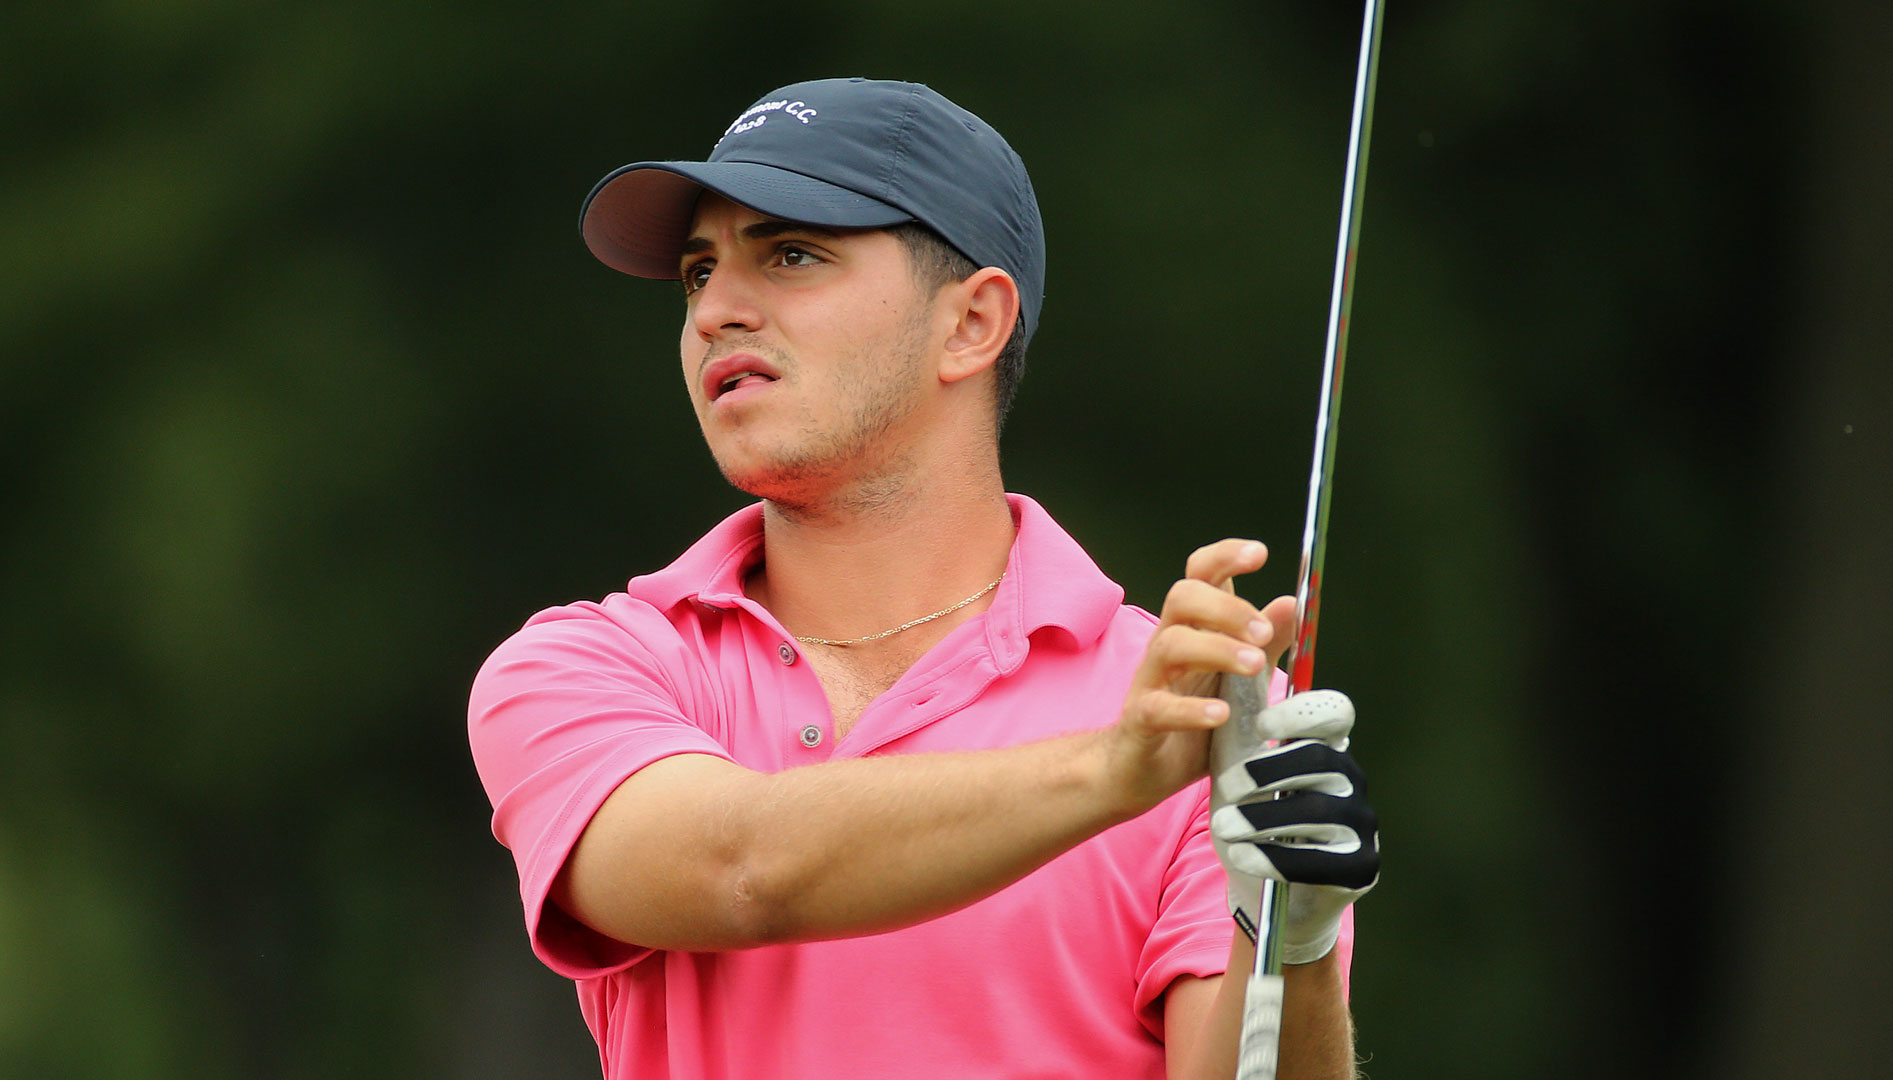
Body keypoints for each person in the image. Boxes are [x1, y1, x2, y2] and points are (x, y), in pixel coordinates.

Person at [468, 77, 1380, 1080]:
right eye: (697, 273)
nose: (716, 312)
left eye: (791, 255)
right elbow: (737, 869)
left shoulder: (1188, 709)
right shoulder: (589, 665)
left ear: (972, 325)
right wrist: (1109, 772)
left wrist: (1290, 946)